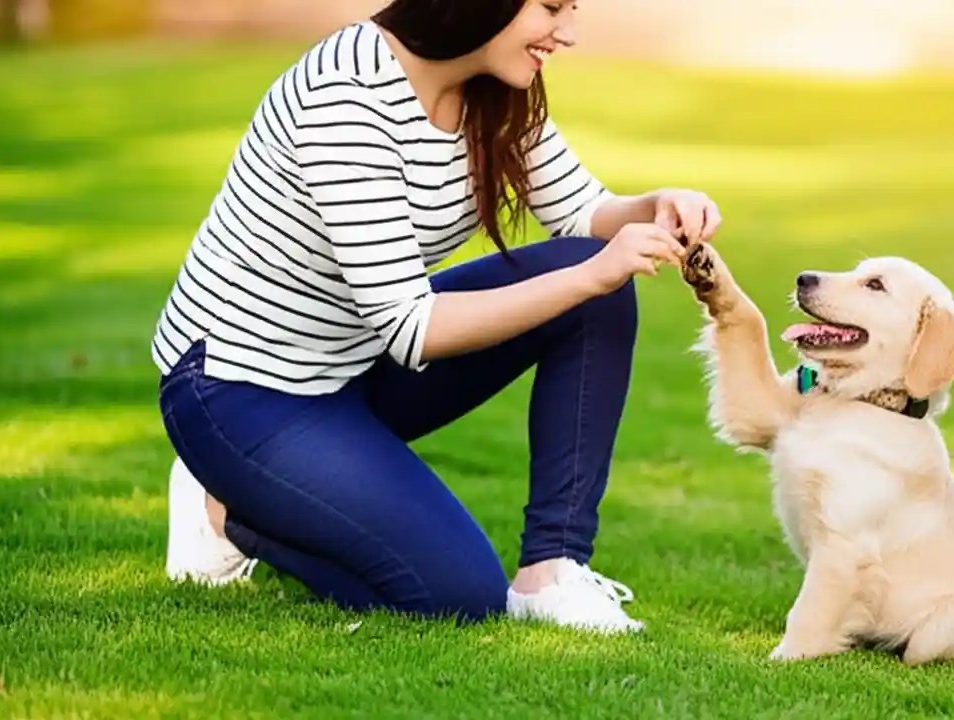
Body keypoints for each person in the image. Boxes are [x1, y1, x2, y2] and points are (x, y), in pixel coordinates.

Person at [154, 0, 721, 634]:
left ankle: (552, 573)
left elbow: (583, 212)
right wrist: (592, 273)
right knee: (457, 596)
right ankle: (229, 508)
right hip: (241, 391)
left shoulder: (491, 85)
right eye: (552, 8)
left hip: (353, 364)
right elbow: (410, 327)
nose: (567, 33)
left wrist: (654, 206)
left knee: (597, 285)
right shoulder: (344, 95)